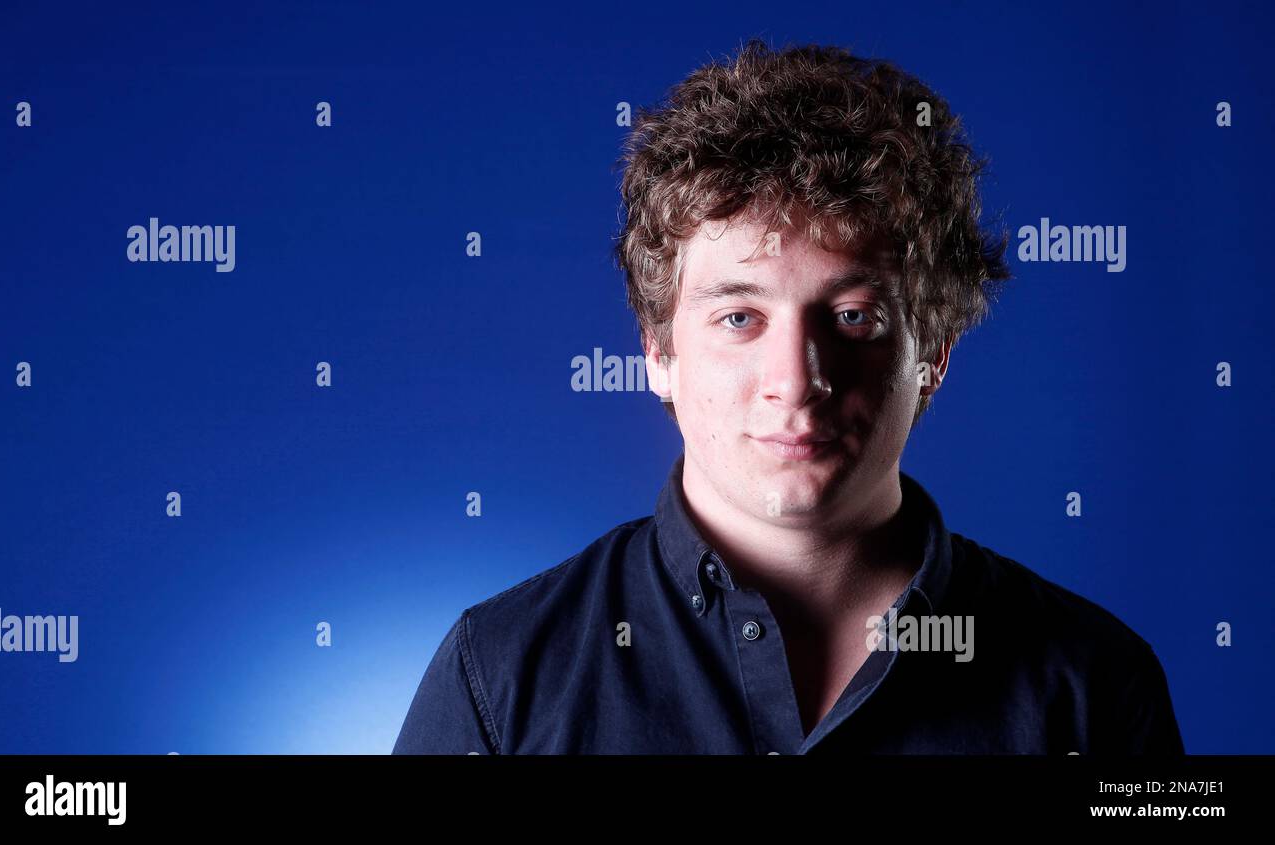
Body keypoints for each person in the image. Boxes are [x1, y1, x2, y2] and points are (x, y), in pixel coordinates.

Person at [392, 39, 1184, 754]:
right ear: (658, 352)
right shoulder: (496, 679)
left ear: (933, 355)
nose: (798, 380)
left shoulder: (1098, 686)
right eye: (739, 316)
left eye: (852, 317)